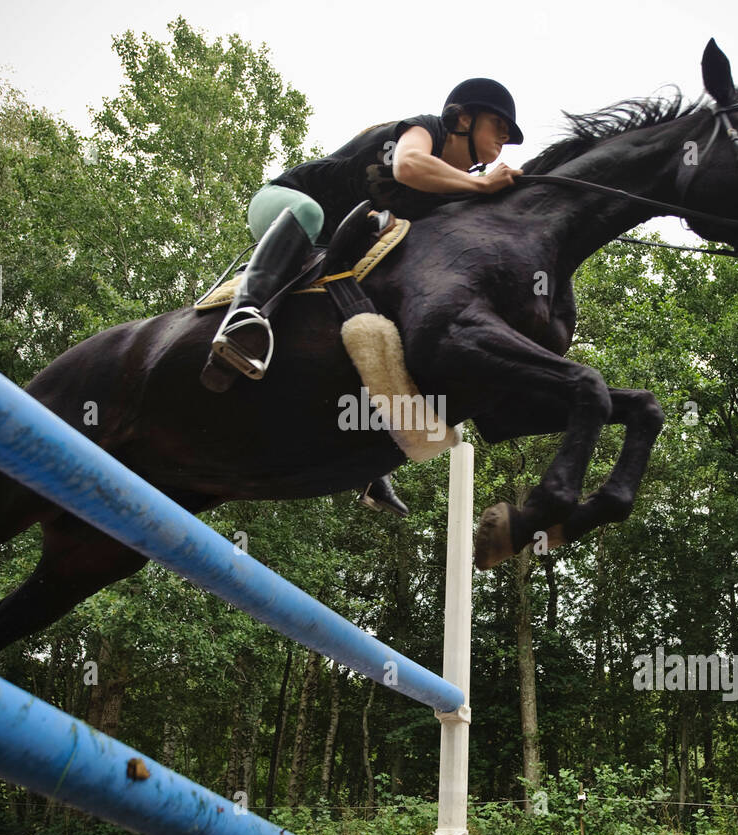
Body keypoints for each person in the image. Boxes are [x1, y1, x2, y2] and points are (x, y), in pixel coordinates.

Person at [202, 78, 524, 515]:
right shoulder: (423, 130)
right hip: (287, 204)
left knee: (378, 319)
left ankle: (372, 464)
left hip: (336, 250)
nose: (506, 135)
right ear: (463, 118)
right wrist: (485, 187)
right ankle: (244, 320)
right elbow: (409, 167)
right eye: (499, 123)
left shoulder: (455, 187)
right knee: (309, 213)